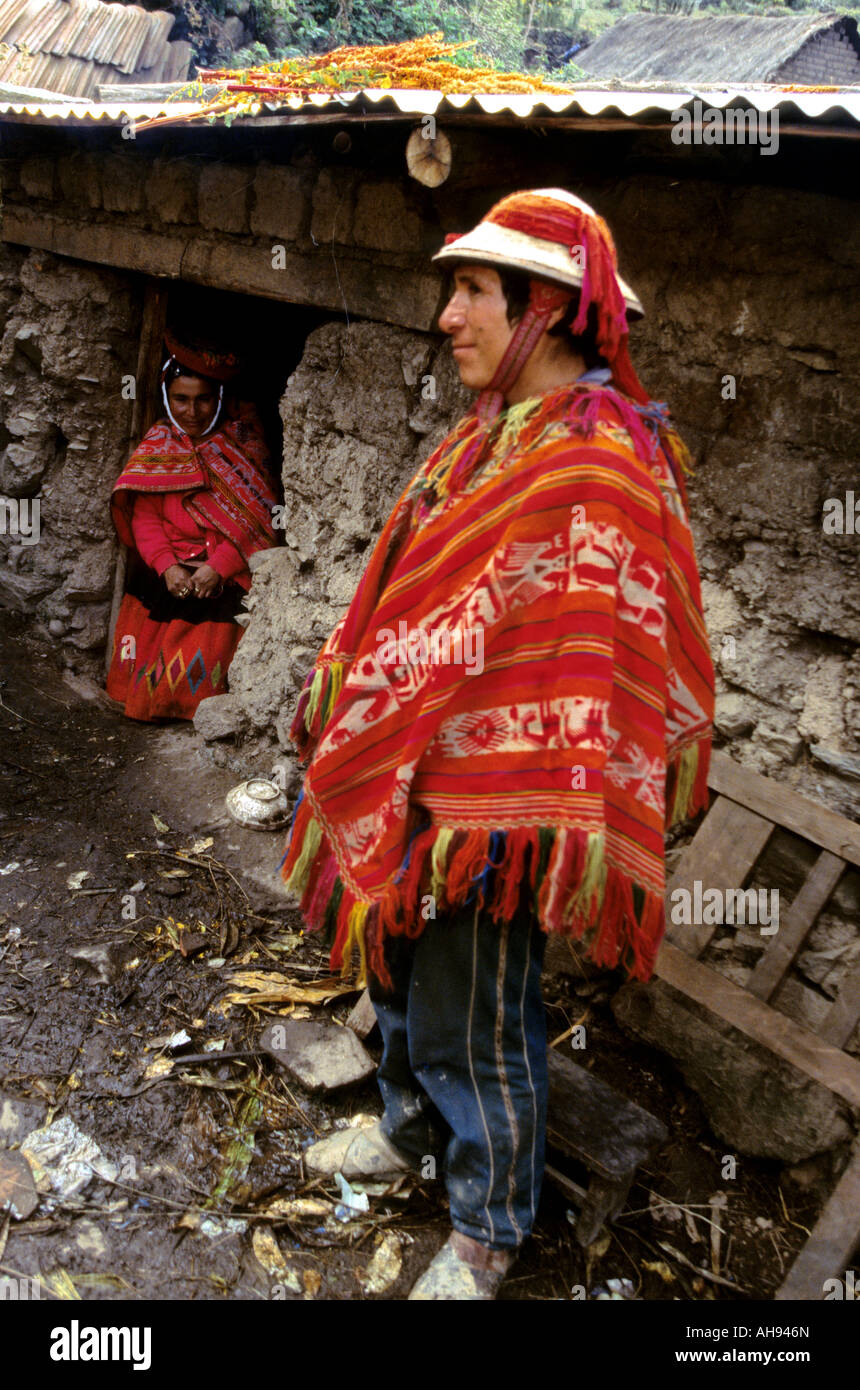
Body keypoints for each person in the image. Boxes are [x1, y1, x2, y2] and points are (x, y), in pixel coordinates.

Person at [280, 189, 715, 1298]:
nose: (446, 315)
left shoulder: (597, 465)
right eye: (455, 288)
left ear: (547, 310)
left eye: (470, 290)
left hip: (500, 796)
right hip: (416, 768)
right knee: (400, 980)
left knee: (475, 1012)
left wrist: (475, 750)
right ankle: (408, 1135)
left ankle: (487, 1225)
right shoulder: (483, 441)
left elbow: (588, 649)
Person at [106, 330, 278, 721]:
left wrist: (217, 567)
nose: (192, 411)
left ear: (219, 399)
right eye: (181, 399)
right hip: (168, 572)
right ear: (168, 397)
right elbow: (144, 518)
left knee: (200, 667)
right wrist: (167, 565)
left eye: (203, 399)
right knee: (152, 660)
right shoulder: (158, 445)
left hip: (222, 572)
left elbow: (259, 520)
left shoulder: (244, 445)